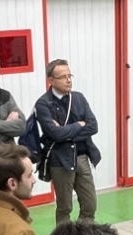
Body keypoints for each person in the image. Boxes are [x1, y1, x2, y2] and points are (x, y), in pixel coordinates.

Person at [27, 61, 101, 224]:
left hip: (81, 156)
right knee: (64, 207)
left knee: (90, 204)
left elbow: (93, 126)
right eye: (63, 77)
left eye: (69, 76)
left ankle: (85, 234)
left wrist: (65, 131)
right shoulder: (43, 104)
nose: (68, 80)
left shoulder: (79, 98)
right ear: (51, 80)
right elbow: (55, 134)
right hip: (59, 159)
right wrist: (78, 125)